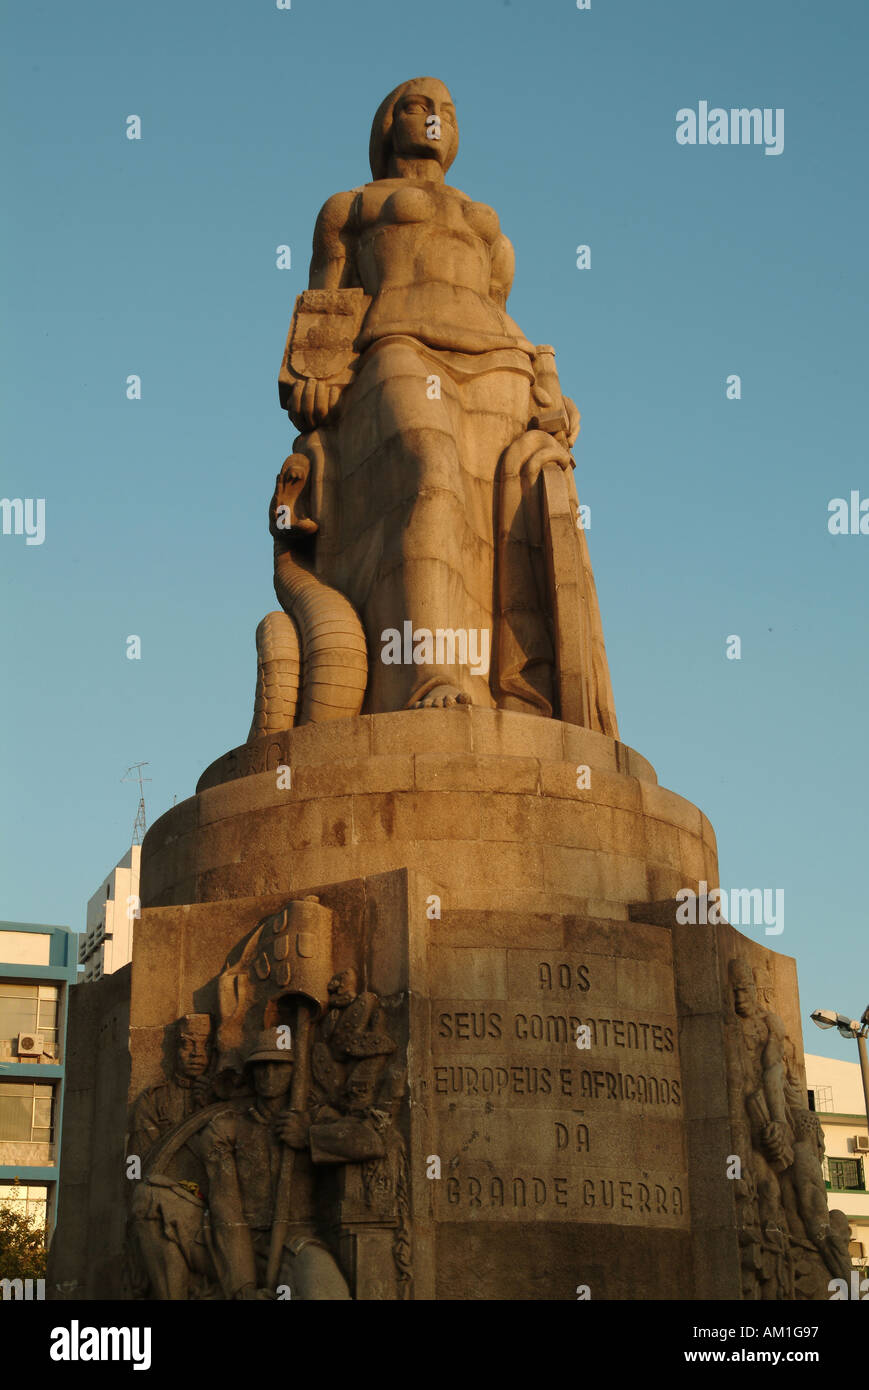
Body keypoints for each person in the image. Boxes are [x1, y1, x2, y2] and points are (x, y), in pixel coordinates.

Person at [276, 76, 617, 729]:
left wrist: (551, 393)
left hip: (499, 359)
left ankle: (520, 690)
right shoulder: (350, 207)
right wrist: (312, 377)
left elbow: (500, 306)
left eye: (447, 111)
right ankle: (430, 670)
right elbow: (323, 309)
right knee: (429, 473)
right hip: (399, 342)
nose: (434, 118)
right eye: (418, 106)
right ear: (386, 124)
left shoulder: (481, 219)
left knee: (512, 513)